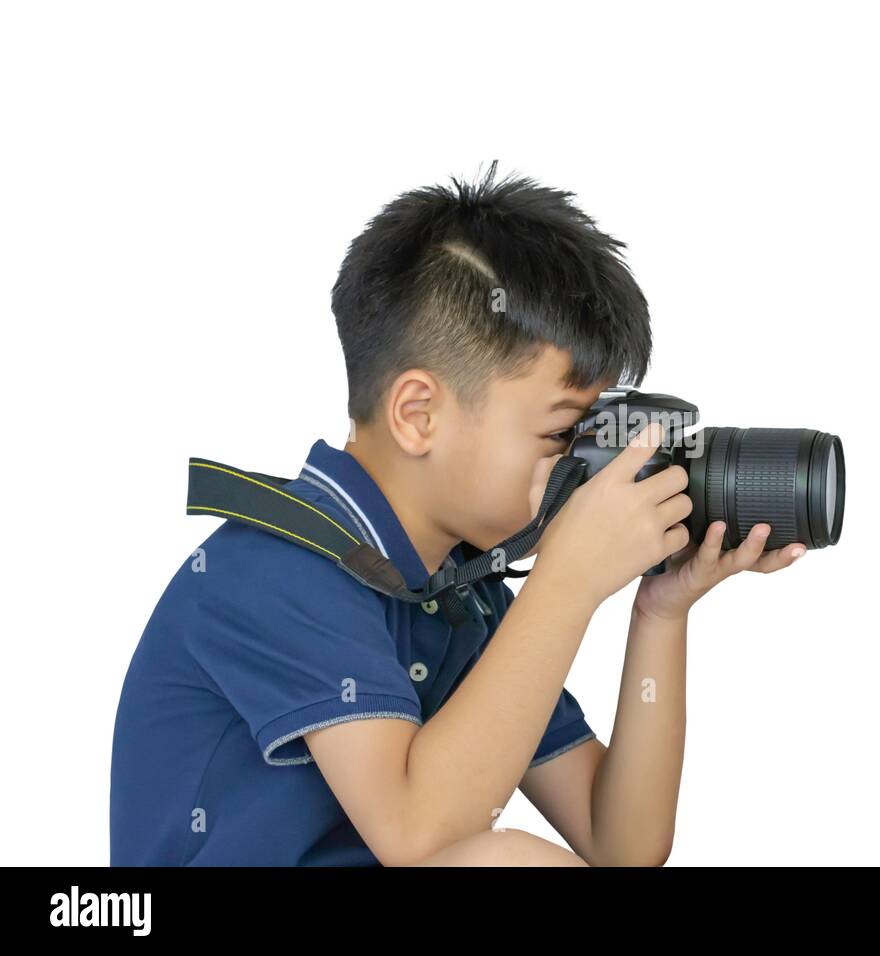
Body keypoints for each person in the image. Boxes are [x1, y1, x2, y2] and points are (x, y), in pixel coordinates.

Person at [109, 163, 807, 866]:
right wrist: (565, 583)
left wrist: (661, 610)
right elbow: (417, 833)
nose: (583, 467)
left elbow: (621, 842)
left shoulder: (459, 595)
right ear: (419, 415)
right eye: (561, 434)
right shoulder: (276, 570)